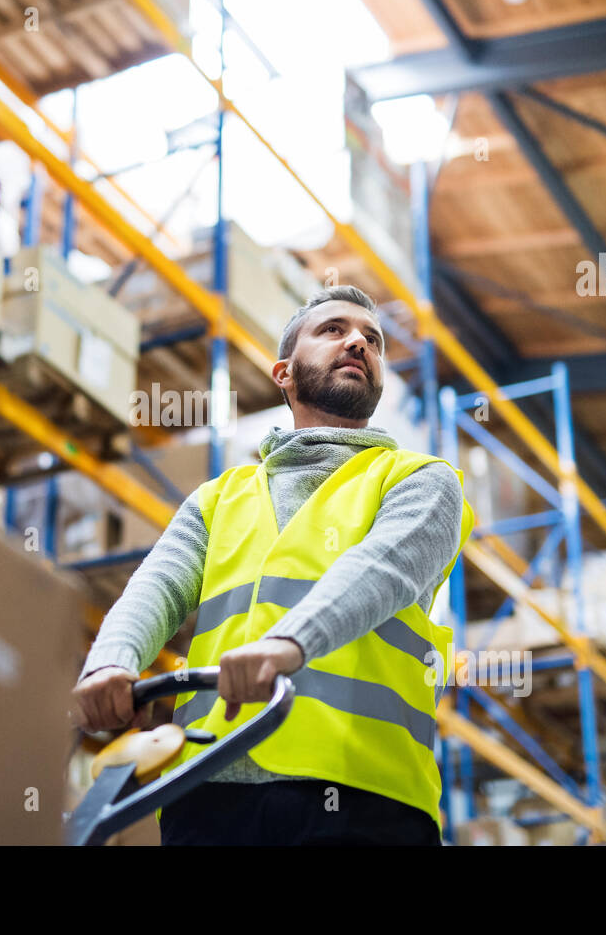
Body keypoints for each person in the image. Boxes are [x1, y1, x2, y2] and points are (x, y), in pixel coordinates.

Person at [69, 285, 473, 845]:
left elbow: (386, 570)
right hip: (207, 796)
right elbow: (157, 587)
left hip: (364, 801)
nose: (358, 341)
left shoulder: (421, 479)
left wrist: (289, 643)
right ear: (283, 373)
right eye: (333, 330)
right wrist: (111, 662)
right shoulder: (218, 498)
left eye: (372, 339)